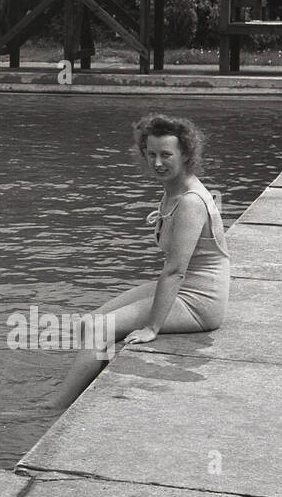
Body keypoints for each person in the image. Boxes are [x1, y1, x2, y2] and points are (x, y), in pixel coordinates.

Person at [49, 113, 229, 410]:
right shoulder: (173, 189)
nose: (158, 163)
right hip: (185, 289)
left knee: (98, 329)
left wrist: (152, 328)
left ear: (185, 154)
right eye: (151, 154)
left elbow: (174, 271)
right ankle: (88, 393)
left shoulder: (190, 202)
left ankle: (54, 408)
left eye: (166, 155)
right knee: (87, 323)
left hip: (200, 300)